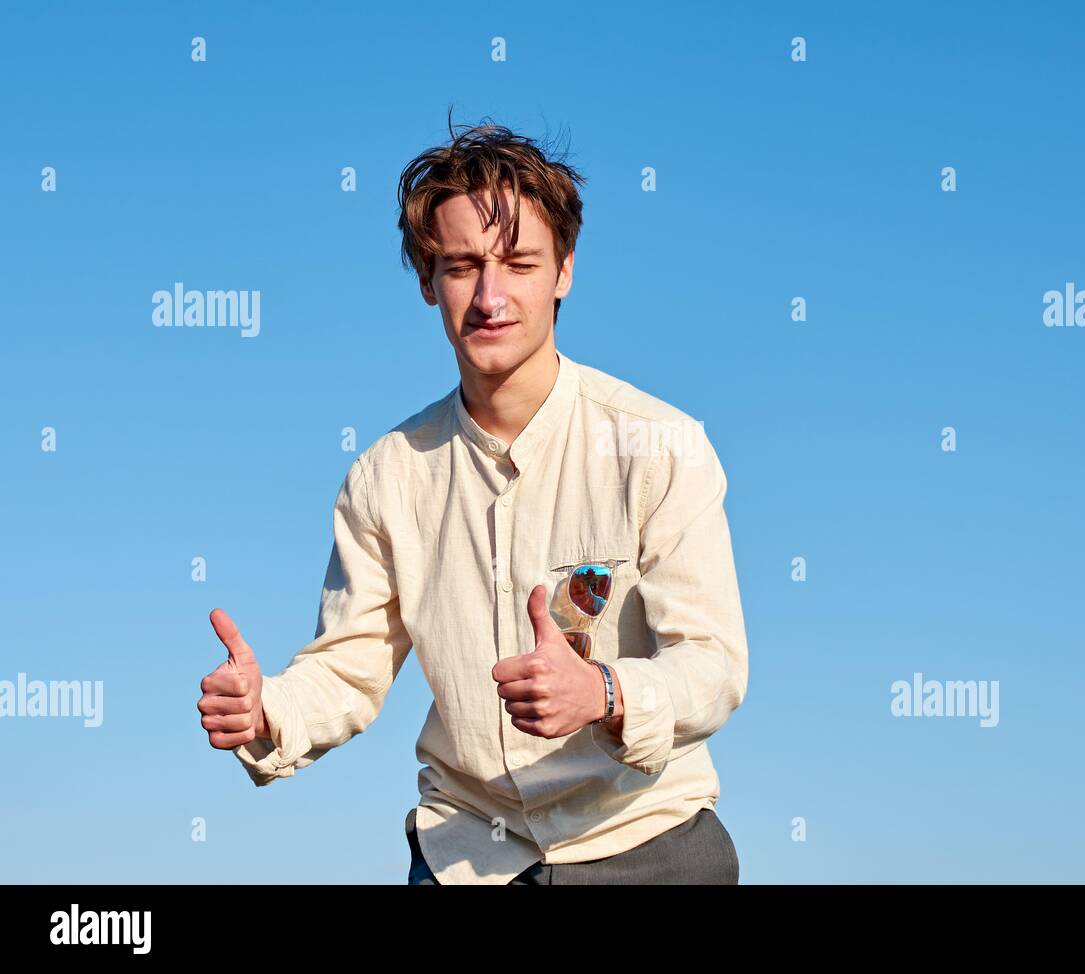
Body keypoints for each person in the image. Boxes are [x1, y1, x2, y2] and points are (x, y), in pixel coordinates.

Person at [196, 117, 748, 884]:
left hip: (649, 842)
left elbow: (714, 665)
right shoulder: (384, 477)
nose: (490, 296)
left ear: (564, 271)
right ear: (429, 282)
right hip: (467, 855)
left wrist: (605, 690)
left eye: (519, 262)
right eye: (462, 266)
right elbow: (349, 668)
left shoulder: (662, 445)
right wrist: (266, 714)